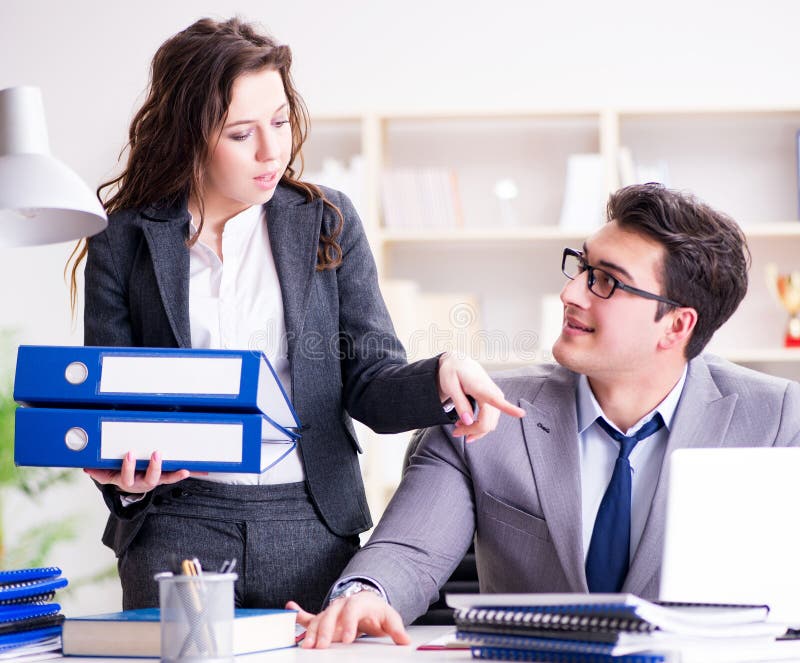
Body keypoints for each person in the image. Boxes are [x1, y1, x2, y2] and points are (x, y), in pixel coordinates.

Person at [67, 17, 524, 612]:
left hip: (310, 524)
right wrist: (124, 484)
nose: (271, 150)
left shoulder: (328, 220)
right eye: (240, 133)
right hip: (175, 526)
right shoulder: (124, 238)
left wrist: (440, 375)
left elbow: (369, 382)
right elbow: (112, 400)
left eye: (280, 121)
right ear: (189, 135)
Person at [294, 182, 800, 648]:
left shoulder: (779, 420)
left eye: (605, 282)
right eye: (582, 267)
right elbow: (408, 552)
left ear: (675, 325)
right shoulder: (484, 412)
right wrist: (365, 593)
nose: (571, 292)